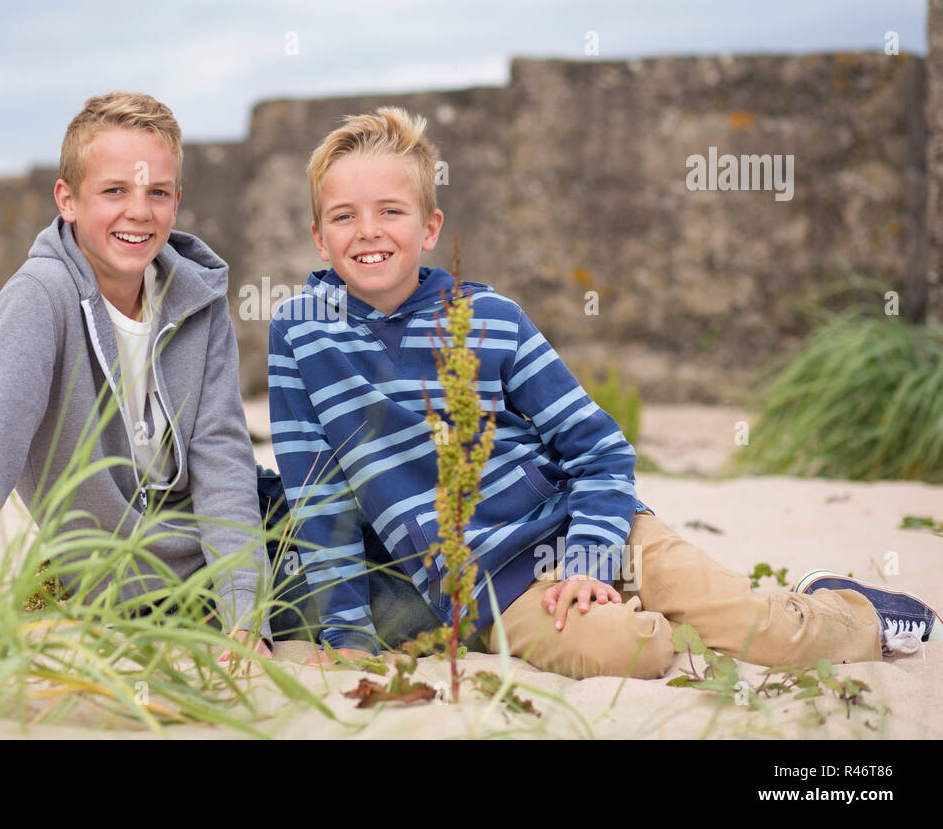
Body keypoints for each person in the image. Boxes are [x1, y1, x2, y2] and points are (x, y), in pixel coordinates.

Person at [267, 105, 938, 677]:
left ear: (430, 226)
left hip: (594, 530)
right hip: (492, 590)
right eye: (345, 216)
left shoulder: (490, 318)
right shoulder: (301, 335)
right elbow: (318, 499)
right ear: (319, 238)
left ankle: (844, 607)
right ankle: (654, 617)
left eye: (391, 210)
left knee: (771, 635)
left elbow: (599, 449)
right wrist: (349, 641)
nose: (369, 231)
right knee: (628, 652)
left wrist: (588, 556)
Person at [0, 91, 271, 657]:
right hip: (109, 583)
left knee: (385, 589)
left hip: (208, 569)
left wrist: (246, 619)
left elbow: (223, 463)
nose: (138, 211)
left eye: (157, 193)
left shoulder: (199, 303)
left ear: (177, 201)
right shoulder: (39, 301)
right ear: (68, 199)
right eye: (114, 191)